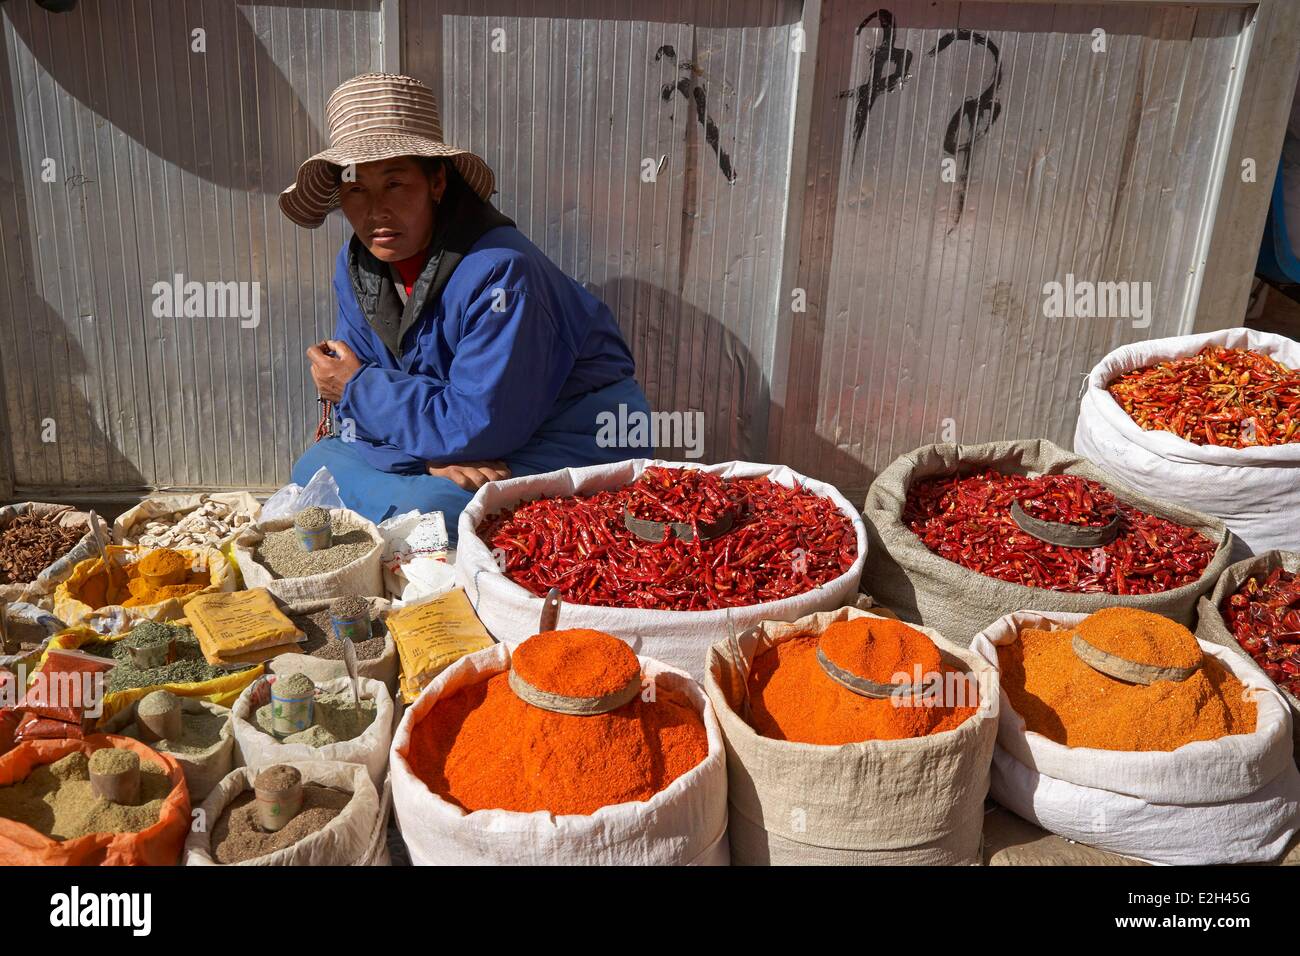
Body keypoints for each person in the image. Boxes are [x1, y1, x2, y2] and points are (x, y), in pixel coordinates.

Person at [279, 73, 650, 540]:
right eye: (356, 189)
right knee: (314, 466)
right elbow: (357, 410)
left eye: (395, 184)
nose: (375, 212)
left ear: (437, 183)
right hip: (444, 439)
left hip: (562, 435)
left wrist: (359, 391)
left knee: (429, 515)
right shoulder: (356, 264)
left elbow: (481, 424)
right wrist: (428, 459)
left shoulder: (501, 274)